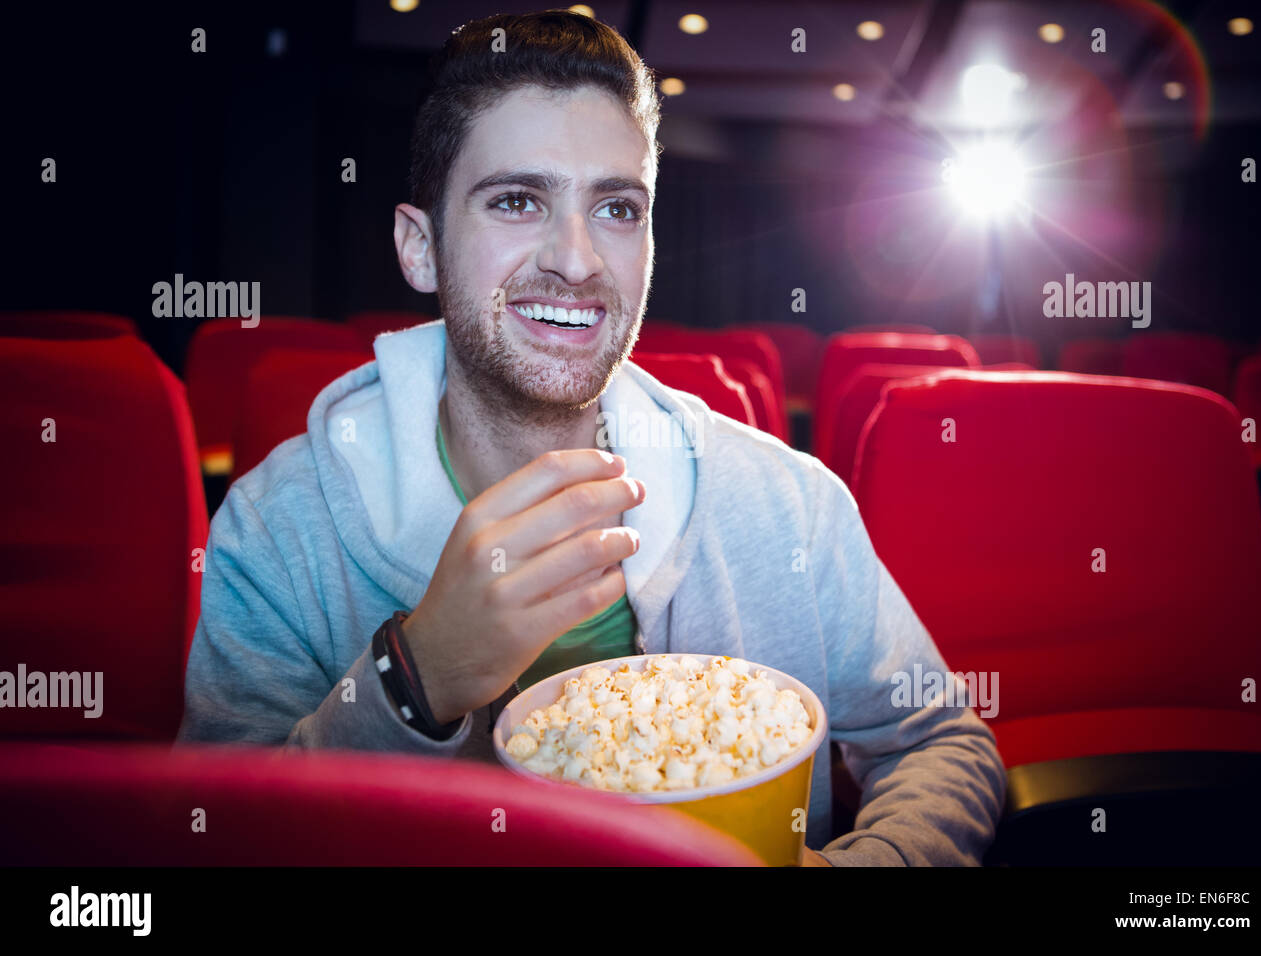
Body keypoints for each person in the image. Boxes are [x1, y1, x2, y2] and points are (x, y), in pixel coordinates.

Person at [178, 10, 1006, 866]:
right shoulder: (280, 527)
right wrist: (411, 680)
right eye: (516, 200)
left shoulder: (791, 504)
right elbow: (211, 842)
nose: (575, 260)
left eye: (615, 207)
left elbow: (942, 742)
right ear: (419, 248)